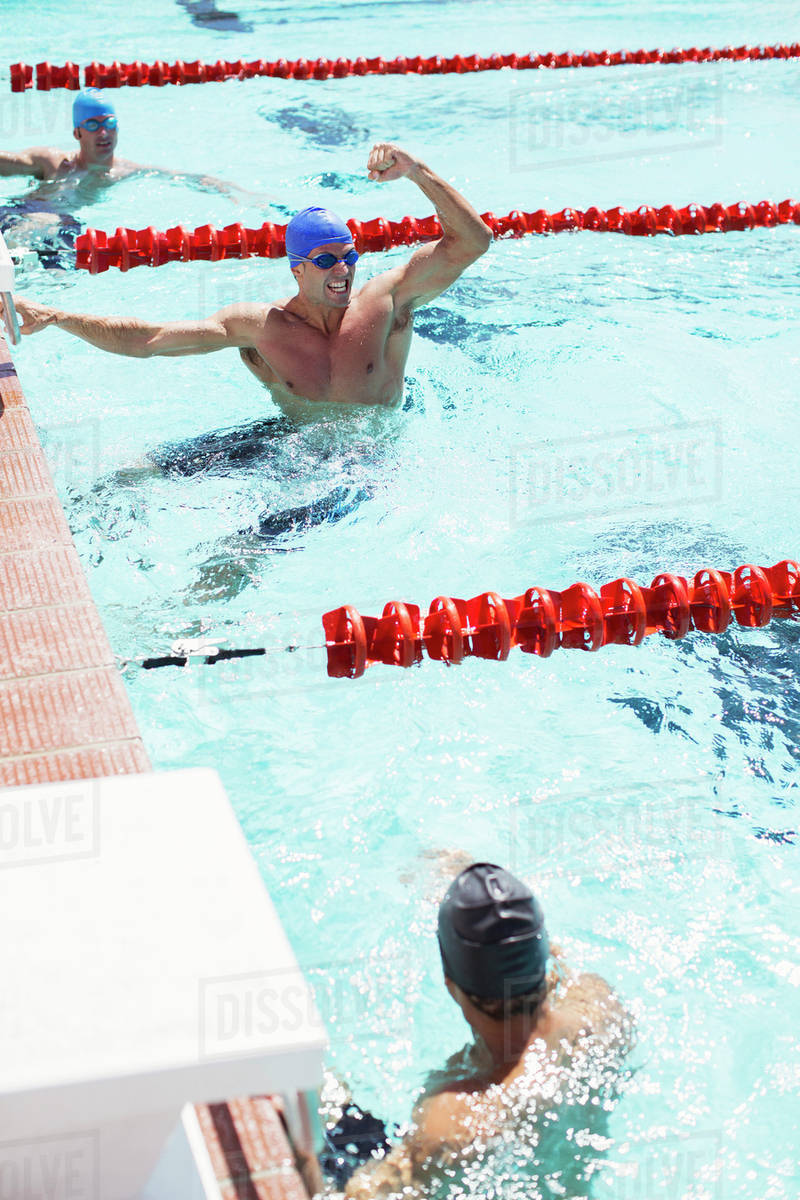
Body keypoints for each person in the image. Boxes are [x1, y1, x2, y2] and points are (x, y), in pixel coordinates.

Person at [4, 142, 492, 415]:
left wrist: (418, 172)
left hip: (386, 458)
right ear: (296, 268)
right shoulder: (260, 329)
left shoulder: (387, 303)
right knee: (135, 480)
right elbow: (149, 340)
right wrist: (56, 314)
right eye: (325, 262)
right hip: (298, 451)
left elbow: (472, 243)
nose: (343, 270)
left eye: (349, 256)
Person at [339, 862, 633, 1198]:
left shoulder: (455, 1118)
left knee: (328, 1104)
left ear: (452, 987)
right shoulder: (599, 1008)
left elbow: (368, 1193)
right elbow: (551, 960)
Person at [0, 89, 269, 267]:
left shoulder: (124, 171)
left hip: (59, 231)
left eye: (109, 123)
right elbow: (11, 163)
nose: (103, 132)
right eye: (93, 125)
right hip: (17, 216)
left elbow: (191, 178)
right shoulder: (53, 162)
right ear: (77, 133)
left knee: (63, 275)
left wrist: (236, 191)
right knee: (38, 228)